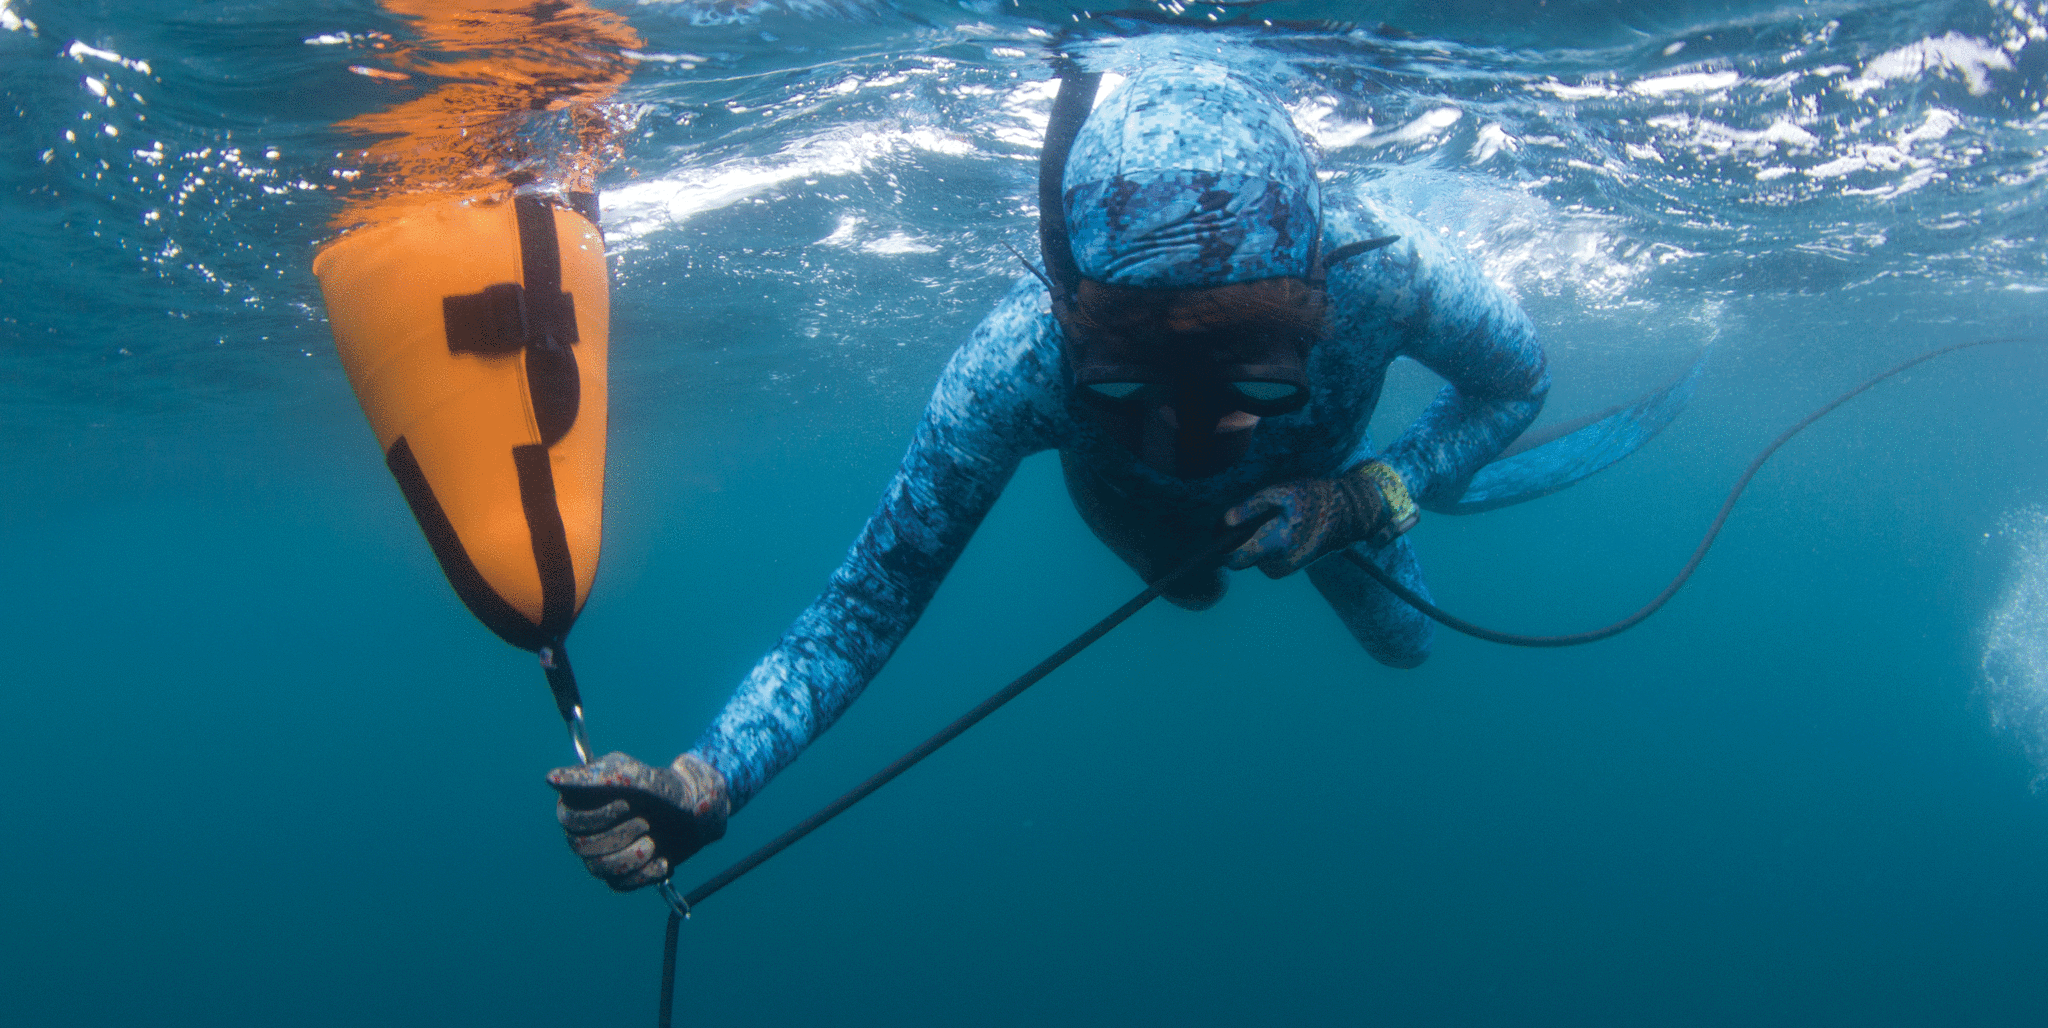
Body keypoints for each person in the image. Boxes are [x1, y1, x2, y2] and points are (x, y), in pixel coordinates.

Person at [548, 62, 1550, 891]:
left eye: (1245, 378)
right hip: (1147, 513)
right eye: (1130, 385)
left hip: (1319, 490)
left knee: (1406, 643)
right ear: (1074, 325)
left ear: (1315, 307)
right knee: (1192, 588)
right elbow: (871, 594)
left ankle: (1418, 489)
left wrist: (1364, 494)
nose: (1189, 432)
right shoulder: (1020, 362)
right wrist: (707, 779)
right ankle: (1344, 513)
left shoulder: (1384, 274)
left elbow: (1515, 385)